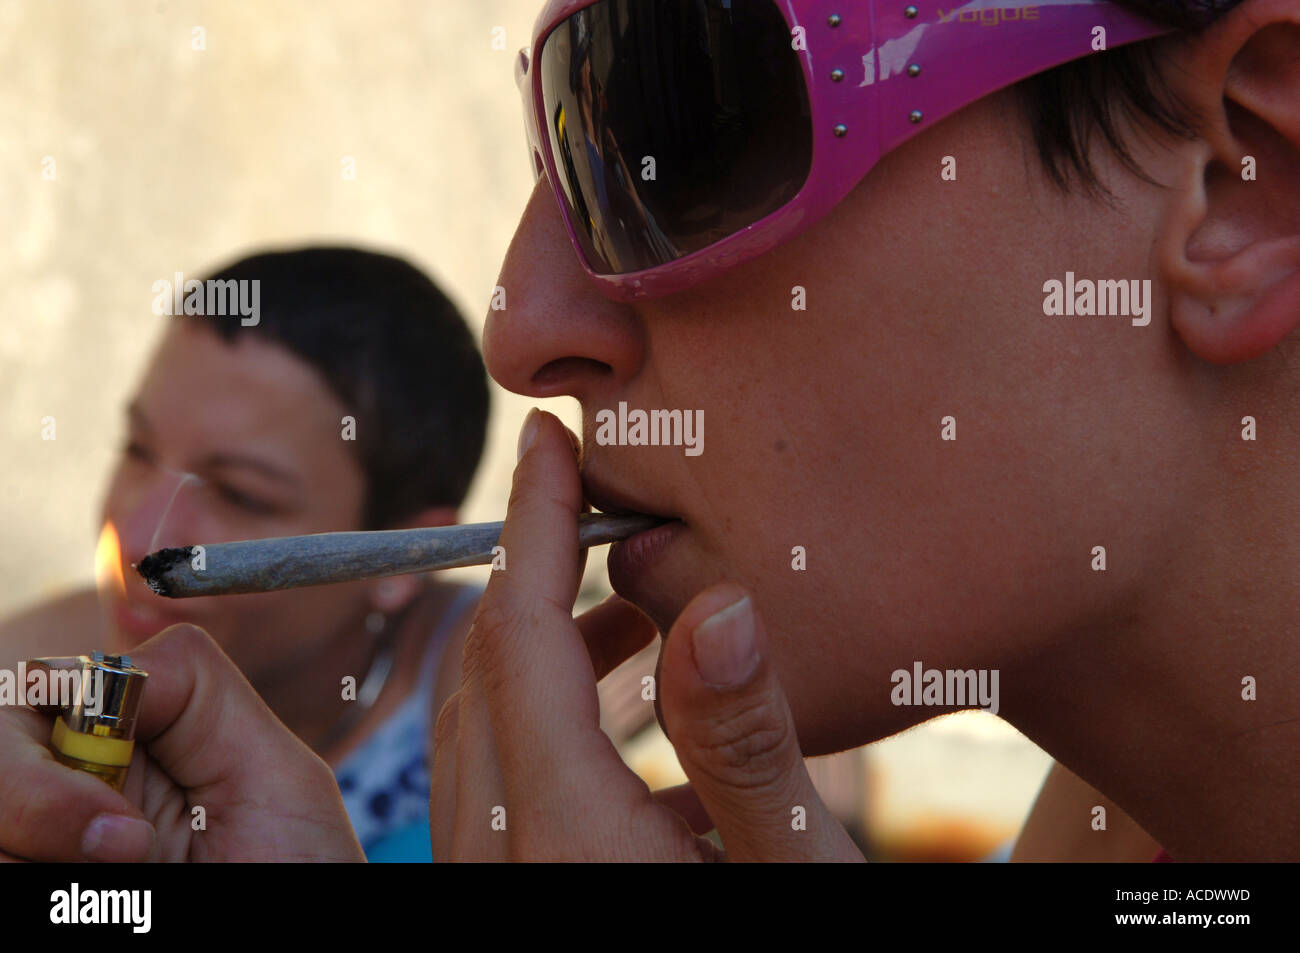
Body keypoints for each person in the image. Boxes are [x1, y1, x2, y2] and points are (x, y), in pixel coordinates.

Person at [0, 246, 489, 861]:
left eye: (238, 493)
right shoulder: (29, 673)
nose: (140, 538)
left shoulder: (483, 687)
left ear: (401, 560)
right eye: (136, 449)